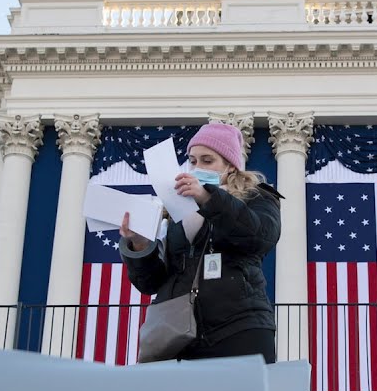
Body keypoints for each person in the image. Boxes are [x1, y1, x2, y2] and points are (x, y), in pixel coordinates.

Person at [119, 123, 282, 363]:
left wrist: (209, 198)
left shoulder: (258, 196)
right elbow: (151, 283)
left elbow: (260, 237)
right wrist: (140, 245)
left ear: (229, 166)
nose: (197, 167)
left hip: (238, 329)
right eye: (193, 161)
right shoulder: (173, 209)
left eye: (207, 160)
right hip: (177, 336)